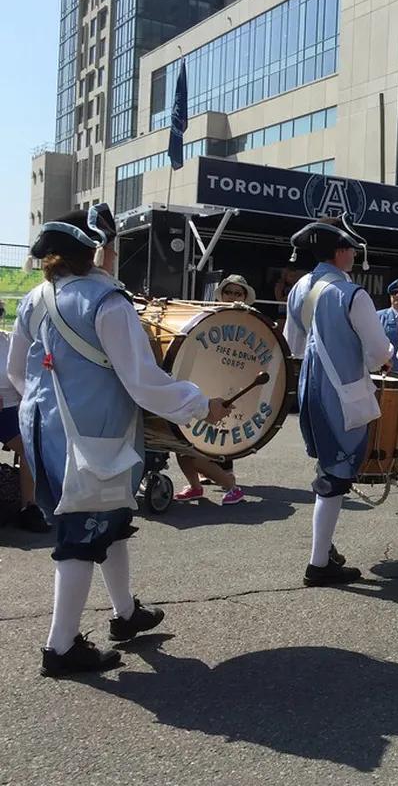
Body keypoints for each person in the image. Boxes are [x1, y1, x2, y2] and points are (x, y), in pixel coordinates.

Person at [10, 206, 227, 676]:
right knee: (81, 535)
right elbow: (142, 382)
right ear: (96, 250)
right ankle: (60, 647)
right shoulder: (107, 302)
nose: (112, 252)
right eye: (109, 244)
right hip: (94, 438)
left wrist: (51, 410)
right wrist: (199, 403)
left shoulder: (35, 298)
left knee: (110, 521)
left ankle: (125, 614)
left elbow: (16, 372)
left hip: (44, 433)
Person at [285, 214, 393, 587]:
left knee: (327, 470)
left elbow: (294, 344)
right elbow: (379, 352)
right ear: (340, 251)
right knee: (334, 477)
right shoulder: (351, 294)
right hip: (343, 393)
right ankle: (318, 563)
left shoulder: (300, 288)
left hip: (310, 389)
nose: (354, 254)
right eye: (351, 247)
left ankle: (323, 548)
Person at [172, 274, 255, 506]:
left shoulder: (251, 321)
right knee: (184, 444)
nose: (232, 296)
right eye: (228, 292)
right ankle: (196, 486)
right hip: (206, 384)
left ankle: (229, 483)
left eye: (238, 293)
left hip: (231, 388)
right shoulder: (210, 317)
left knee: (213, 441)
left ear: (245, 297)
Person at [0, 328, 48, 532]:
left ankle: (29, 507)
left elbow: (26, 375)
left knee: (30, 448)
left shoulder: (10, 341)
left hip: (11, 409)